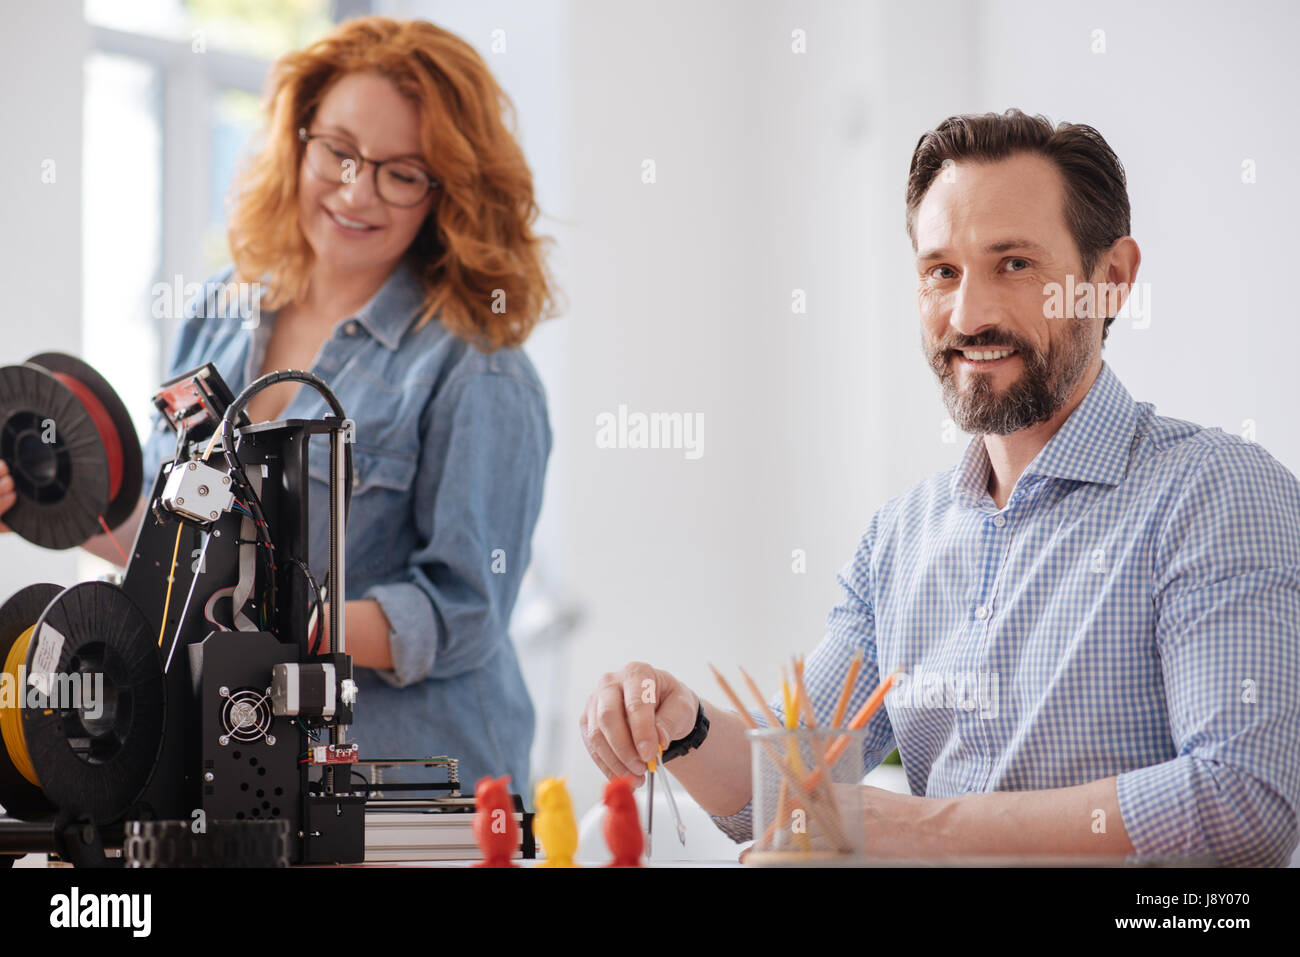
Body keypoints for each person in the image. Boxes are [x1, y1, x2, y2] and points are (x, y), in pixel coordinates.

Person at [580, 109, 1300, 867]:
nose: (969, 314)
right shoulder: (900, 537)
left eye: (1014, 264)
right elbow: (790, 790)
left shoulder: (1218, 493)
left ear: (1110, 280)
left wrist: (921, 830)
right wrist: (684, 722)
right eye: (941, 272)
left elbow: (1243, 799)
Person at [2, 16, 555, 792]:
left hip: (407, 795)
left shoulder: (478, 371)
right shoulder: (222, 311)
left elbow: (461, 613)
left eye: (401, 172)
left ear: (446, 192)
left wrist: (270, 613)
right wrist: (49, 496)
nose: (356, 189)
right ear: (299, 139)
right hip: (230, 774)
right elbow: (171, 548)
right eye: (339, 151)